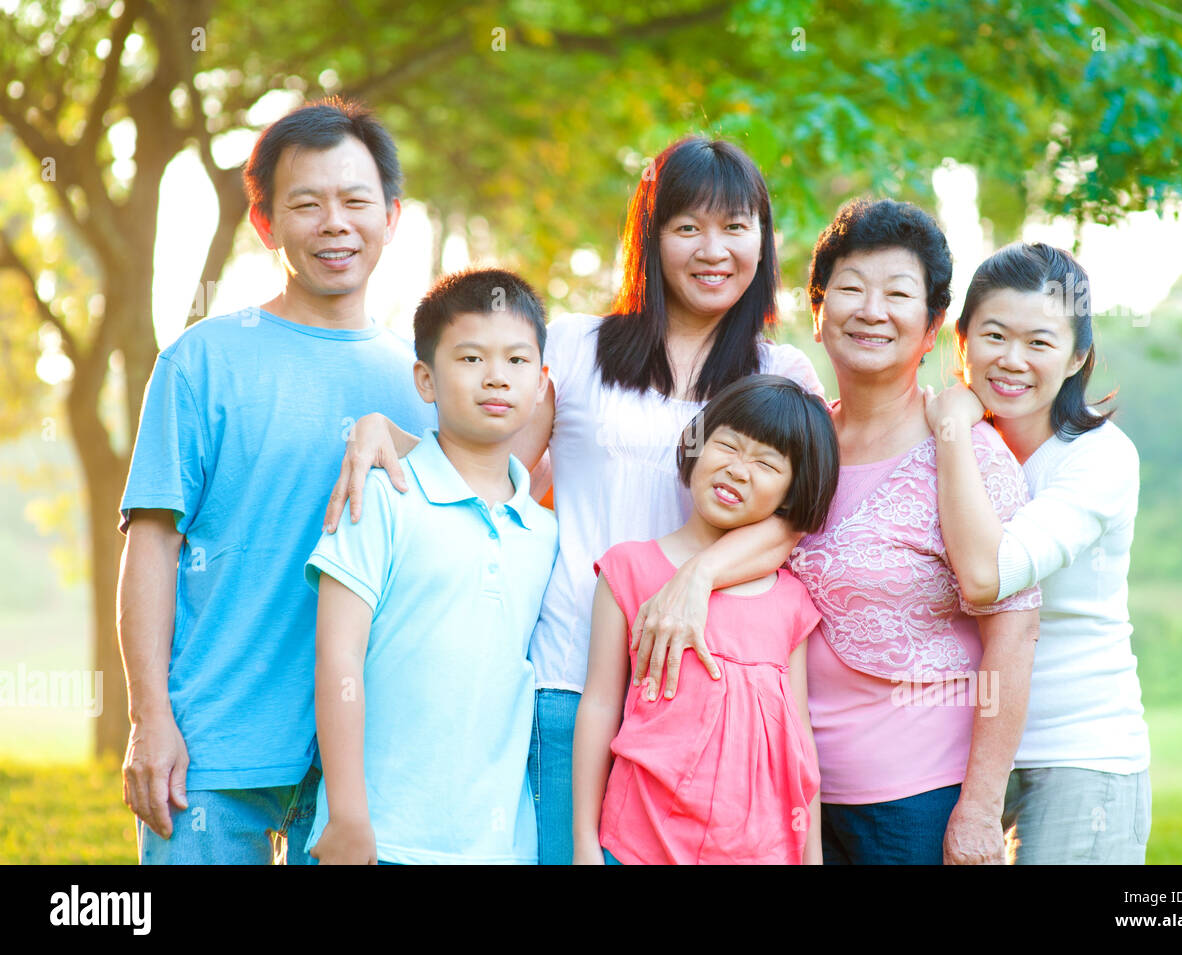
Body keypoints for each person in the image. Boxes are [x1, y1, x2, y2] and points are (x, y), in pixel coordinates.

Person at [325, 137, 824, 864]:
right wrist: (386, 431)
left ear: (763, 239)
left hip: (703, 686)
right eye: (687, 226)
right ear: (651, 239)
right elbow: (489, 463)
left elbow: (795, 520)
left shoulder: (780, 372)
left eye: (735, 226)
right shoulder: (579, 347)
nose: (712, 249)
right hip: (565, 670)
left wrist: (693, 580)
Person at [635, 198, 1042, 864]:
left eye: (898, 294)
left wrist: (978, 807)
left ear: (934, 323)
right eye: (850, 289)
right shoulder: (796, 449)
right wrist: (695, 576)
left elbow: (1015, 631)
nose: (871, 309)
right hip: (789, 795)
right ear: (818, 312)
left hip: (916, 802)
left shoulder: (968, 454)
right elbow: (768, 545)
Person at [117, 98, 436, 864]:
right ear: (265, 224)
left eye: (356, 201)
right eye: (307, 203)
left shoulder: (422, 383)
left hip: (363, 762)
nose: (335, 223)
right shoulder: (201, 360)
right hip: (214, 746)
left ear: (391, 217)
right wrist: (149, 715)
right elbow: (152, 546)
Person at [306, 268, 557, 865]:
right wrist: (348, 816)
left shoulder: (543, 530)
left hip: (497, 847)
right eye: (470, 358)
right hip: (379, 837)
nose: (496, 376)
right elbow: (337, 657)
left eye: (518, 361)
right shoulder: (382, 495)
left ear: (542, 383)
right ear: (425, 379)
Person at [923, 241, 1149, 864]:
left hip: (1079, 753)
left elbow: (984, 577)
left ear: (1078, 357)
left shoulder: (1099, 458)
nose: (1012, 361)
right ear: (961, 339)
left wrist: (950, 427)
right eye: (994, 335)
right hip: (955, 753)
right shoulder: (945, 442)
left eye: (1040, 343)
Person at [572, 376, 839, 865]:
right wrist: (584, 844)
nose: (738, 470)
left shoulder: (791, 600)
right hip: (637, 844)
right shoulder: (629, 569)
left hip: (761, 850)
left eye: (766, 463)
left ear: (790, 491)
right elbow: (599, 705)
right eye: (727, 446)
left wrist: (812, 854)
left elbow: (798, 739)